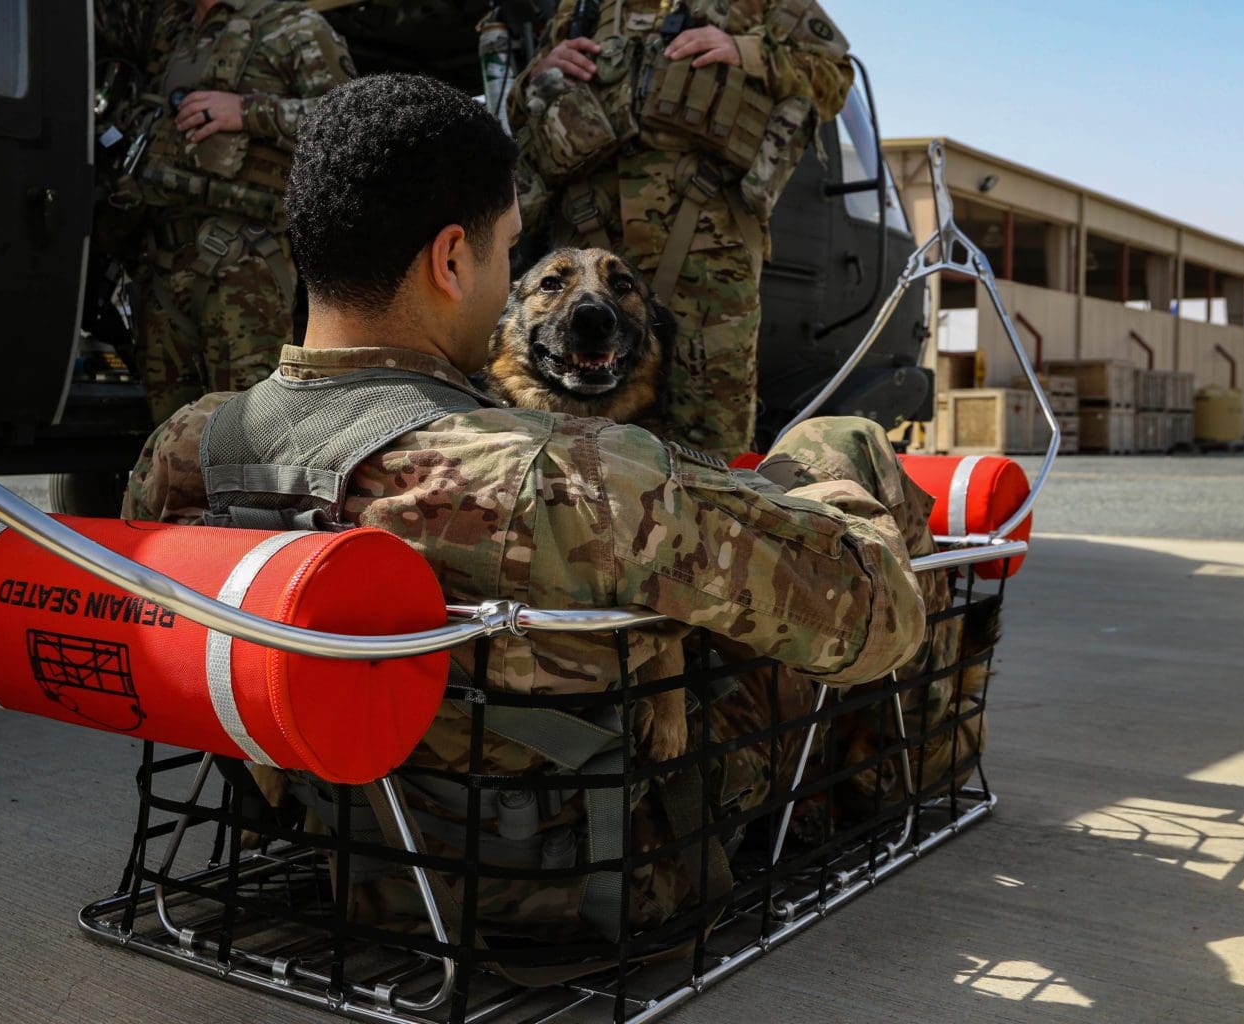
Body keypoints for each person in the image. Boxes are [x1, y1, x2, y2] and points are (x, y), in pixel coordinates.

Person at [123, 74, 928, 944]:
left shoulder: (190, 446)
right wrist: (828, 497)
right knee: (841, 443)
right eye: (511, 249)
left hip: (340, 844)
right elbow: (880, 621)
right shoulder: (583, 477)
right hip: (590, 883)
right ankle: (895, 776)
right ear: (451, 261)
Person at [509, 0, 854, 459]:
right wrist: (538, 74)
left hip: (708, 261)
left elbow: (835, 78)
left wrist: (746, 52)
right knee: (579, 441)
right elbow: (519, 110)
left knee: (712, 444)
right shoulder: (582, 6)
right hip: (590, 249)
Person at [125, 0, 355, 423]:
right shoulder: (172, 32)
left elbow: (348, 122)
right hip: (159, 264)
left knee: (249, 431)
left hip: (242, 264)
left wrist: (247, 111)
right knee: (171, 437)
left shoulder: (293, 25)